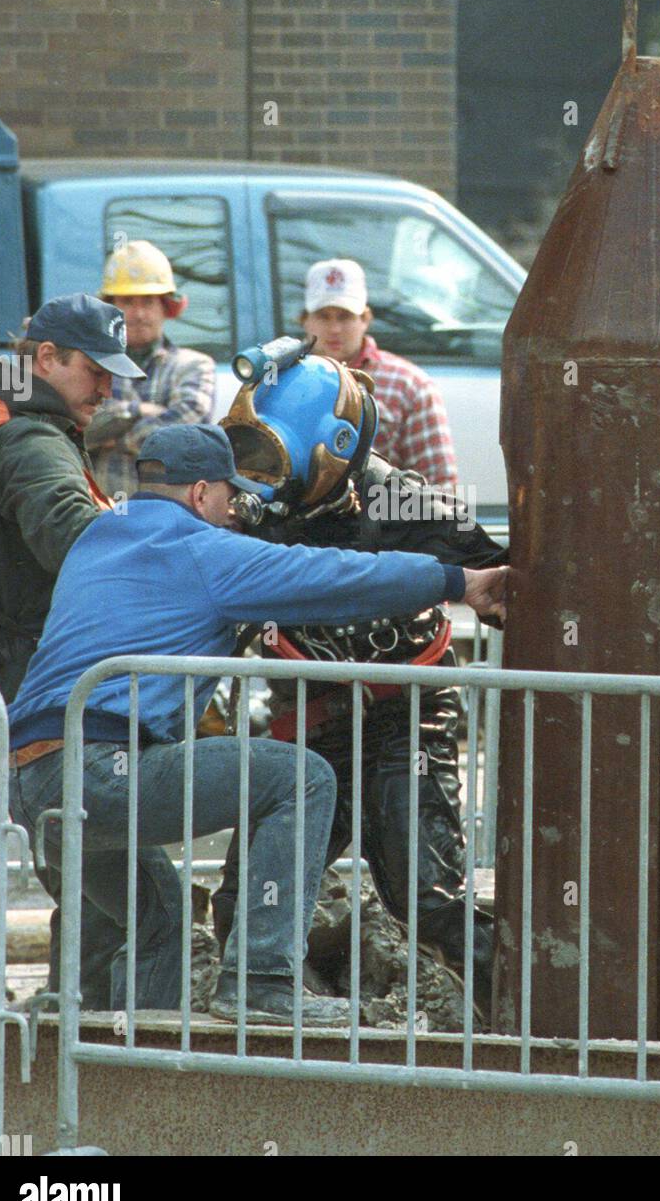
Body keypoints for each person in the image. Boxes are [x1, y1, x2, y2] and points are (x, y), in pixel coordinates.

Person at [6, 423, 507, 1025]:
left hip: (33, 787)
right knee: (301, 779)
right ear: (198, 494)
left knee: (156, 917)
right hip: (103, 772)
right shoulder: (203, 553)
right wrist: (458, 581)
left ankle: (125, 1056)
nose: (234, 509)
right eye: (226, 495)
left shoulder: (99, 536)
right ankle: (261, 981)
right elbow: (328, 576)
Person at [215, 336, 506, 1019]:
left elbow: (502, 580)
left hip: (404, 716)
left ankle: (516, 1022)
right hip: (308, 723)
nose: (264, 481)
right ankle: (254, 1027)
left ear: (335, 448)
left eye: (275, 459)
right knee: (247, 894)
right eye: (252, 459)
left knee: (426, 898)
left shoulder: (400, 502)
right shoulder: (261, 512)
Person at [0, 294, 145, 1002]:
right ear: (45, 358)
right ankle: (88, 1024)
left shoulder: (22, 428)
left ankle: (79, 1010)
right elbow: (71, 537)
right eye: (93, 369)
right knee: (104, 862)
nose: (106, 387)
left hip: (8, 679)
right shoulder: (33, 442)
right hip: (28, 685)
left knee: (84, 855)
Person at [299, 258, 458, 489]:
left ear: (365, 319)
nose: (334, 329)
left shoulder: (410, 385)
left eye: (345, 316)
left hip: (383, 518)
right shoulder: (282, 378)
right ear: (305, 320)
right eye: (323, 316)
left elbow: (440, 488)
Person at [86, 240, 216, 498]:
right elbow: (83, 430)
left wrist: (114, 432)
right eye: (128, 302)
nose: (139, 314)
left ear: (167, 307)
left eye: (148, 302)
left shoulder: (195, 366)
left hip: (168, 517)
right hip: (101, 515)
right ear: (110, 309)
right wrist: (140, 410)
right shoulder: (91, 365)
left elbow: (182, 440)